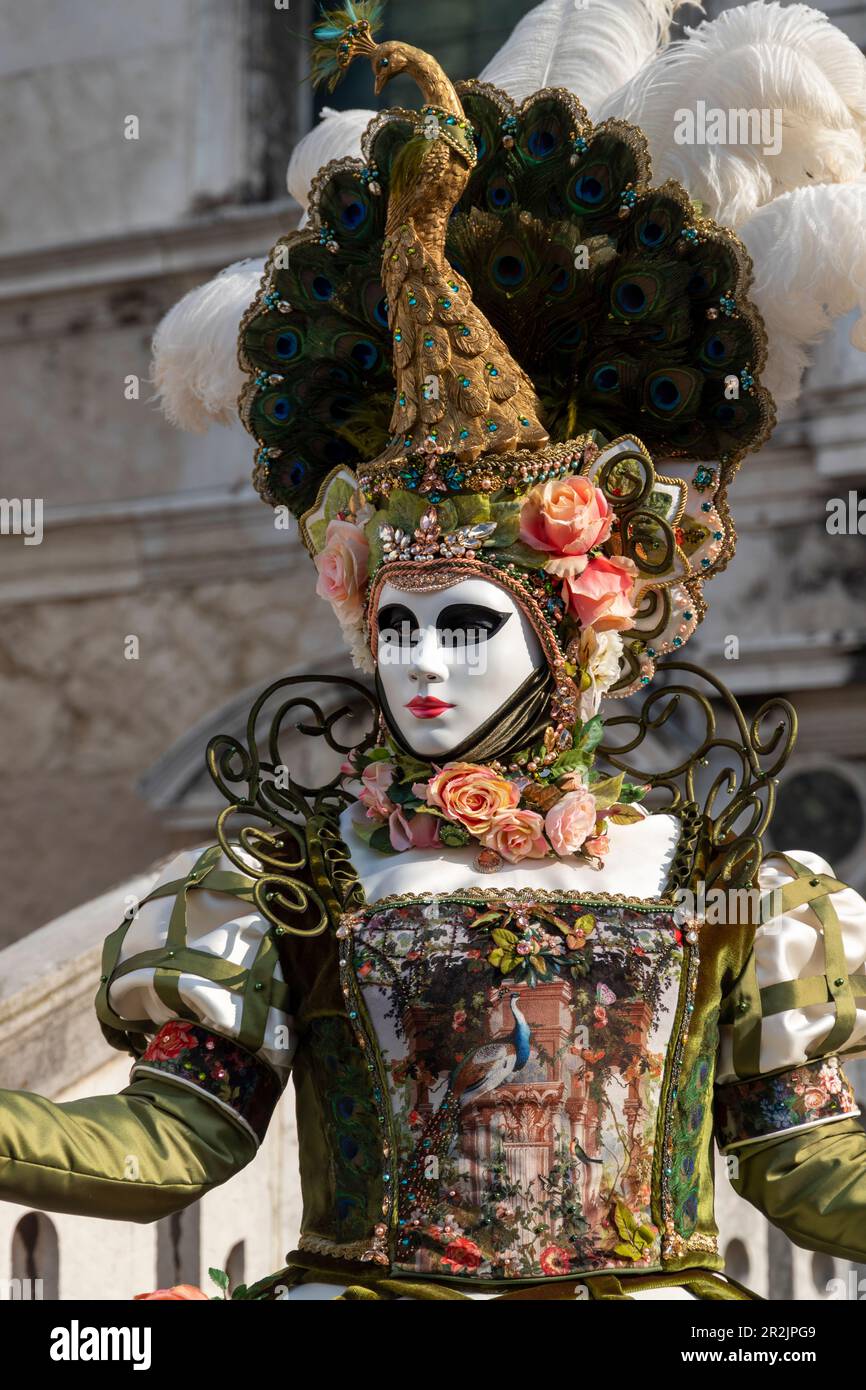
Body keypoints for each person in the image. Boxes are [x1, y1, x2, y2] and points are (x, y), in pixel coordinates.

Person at [2, 0, 866, 1299]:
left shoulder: (727, 886)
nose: (421, 660)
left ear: (574, 630)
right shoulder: (288, 874)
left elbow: (807, 1165)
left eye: (466, 623)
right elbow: (165, 1138)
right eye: (396, 622)